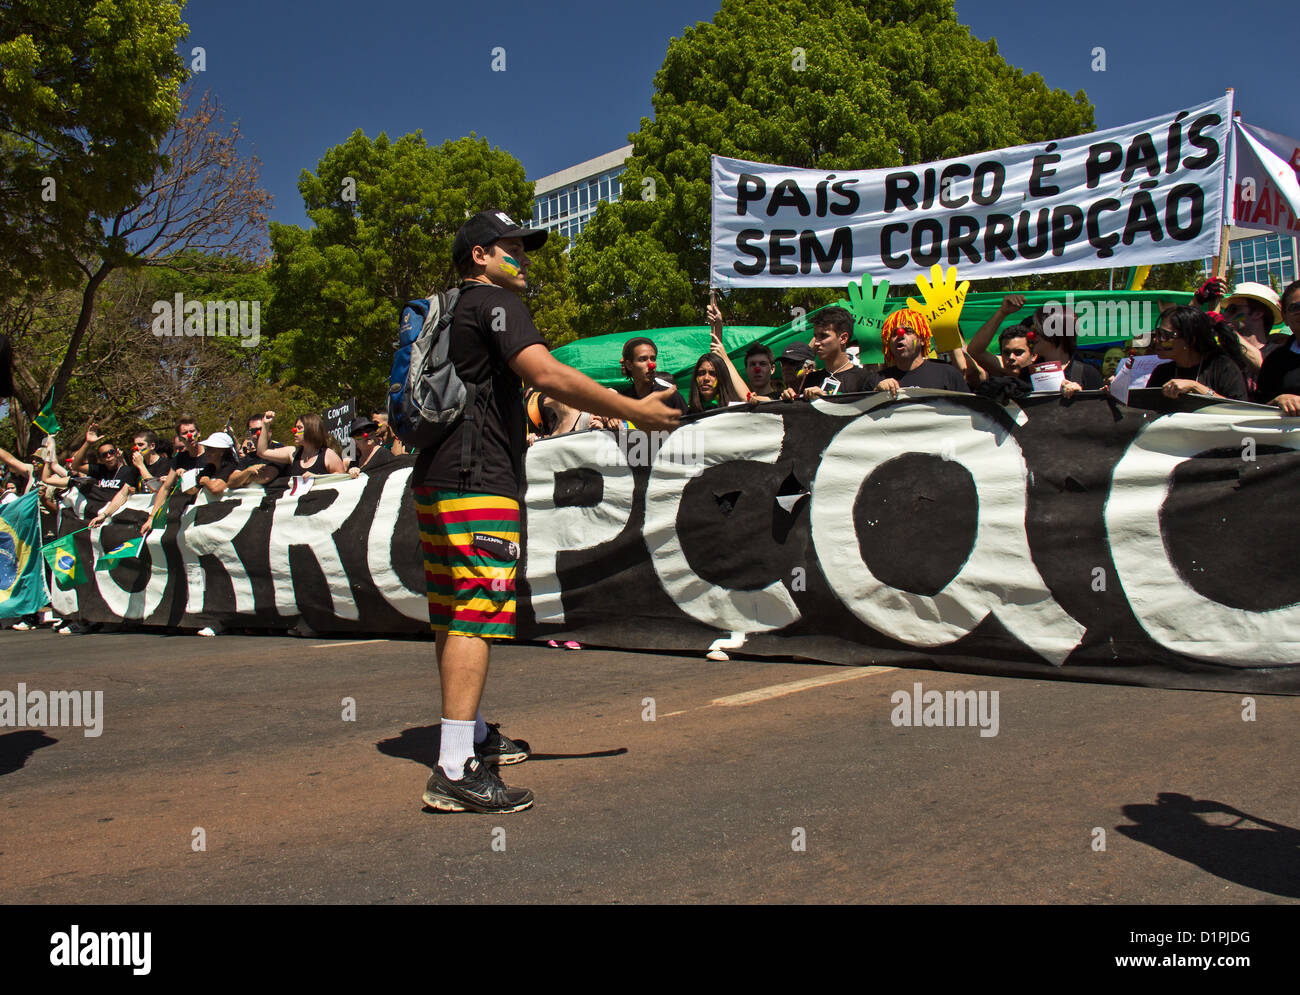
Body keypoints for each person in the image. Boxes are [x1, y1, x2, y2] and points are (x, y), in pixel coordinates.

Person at [412, 208, 679, 815]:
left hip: (436, 476)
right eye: (512, 247)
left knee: (452, 611)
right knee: (478, 612)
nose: (523, 258)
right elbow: (546, 373)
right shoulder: (494, 302)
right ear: (480, 254)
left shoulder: (450, 308)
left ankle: (472, 733)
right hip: (479, 480)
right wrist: (632, 409)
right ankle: (455, 767)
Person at [1144, 306, 1247, 401]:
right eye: (1157, 333)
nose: (1156, 340)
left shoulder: (1223, 368)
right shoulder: (1161, 373)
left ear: (1190, 340)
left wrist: (1196, 387)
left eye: (1165, 335)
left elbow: (1240, 410)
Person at [781, 306, 877, 399]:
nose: (817, 342)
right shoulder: (811, 379)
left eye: (823, 336)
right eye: (816, 336)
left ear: (843, 338)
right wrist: (789, 400)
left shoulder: (866, 379)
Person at [874, 309, 969, 396]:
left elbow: (967, 410)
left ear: (922, 340)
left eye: (909, 331)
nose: (900, 335)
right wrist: (876, 394)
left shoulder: (947, 374)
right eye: (894, 334)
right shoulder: (878, 379)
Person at [256, 411, 347, 477]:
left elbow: (342, 477)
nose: (294, 431)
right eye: (295, 428)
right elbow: (262, 452)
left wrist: (318, 478)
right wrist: (265, 425)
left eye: (299, 428)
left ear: (311, 430)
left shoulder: (328, 455)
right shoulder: (293, 453)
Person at [1257, 279, 1300, 413]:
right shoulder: (1274, 362)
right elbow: (1256, 412)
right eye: (1296, 307)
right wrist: (1278, 401)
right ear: (1285, 317)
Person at [617, 336, 688, 415]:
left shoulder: (671, 397)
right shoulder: (623, 400)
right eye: (643, 359)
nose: (651, 365)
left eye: (653, 359)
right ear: (629, 365)